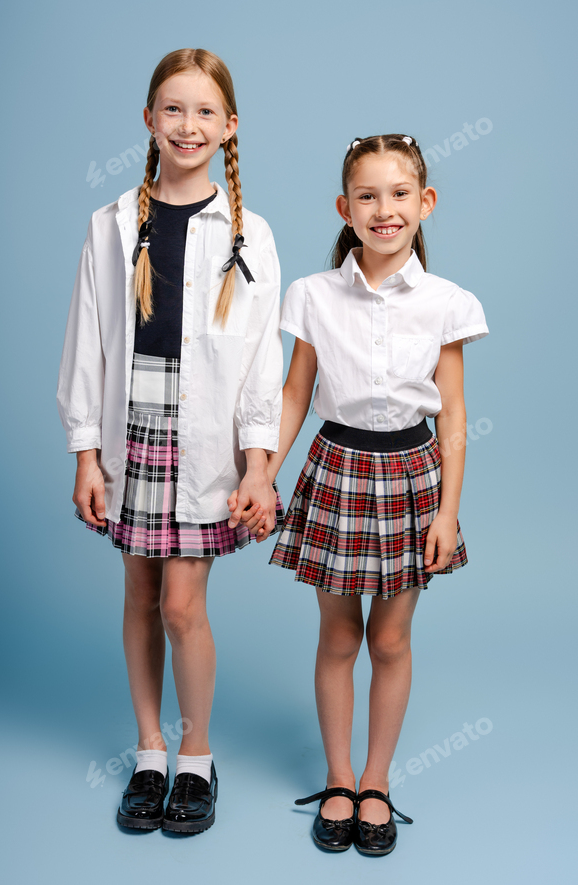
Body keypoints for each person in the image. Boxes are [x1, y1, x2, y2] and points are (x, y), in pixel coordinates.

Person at [229, 133, 489, 855]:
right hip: (336, 470)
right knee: (340, 636)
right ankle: (339, 778)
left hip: (412, 476)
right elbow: (294, 392)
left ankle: (376, 781)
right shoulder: (313, 295)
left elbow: (454, 415)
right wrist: (263, 472)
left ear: (425, 202)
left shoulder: (447, 302)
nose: (384, 209)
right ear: (345, 208)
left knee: (391, 638)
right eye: (367, 196)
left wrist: (448, 511)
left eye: (399, 194)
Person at [56, 48, 284, 834]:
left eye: (205, 111)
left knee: (183, 605)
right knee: (139, 594)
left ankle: (196, 756)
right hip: (132, 426)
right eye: (174, 108)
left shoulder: (252, 232)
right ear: (149, 119)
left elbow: (261, 360)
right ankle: (148, 750)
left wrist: (259, 464)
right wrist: (85, 452)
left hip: (204, 436)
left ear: (229, 126)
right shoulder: (111, 222)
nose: (189, 125)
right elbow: (87, 340)